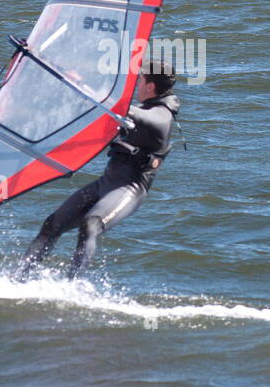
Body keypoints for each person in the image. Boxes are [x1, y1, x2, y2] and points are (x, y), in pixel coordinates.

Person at [18, 59, 180, 279]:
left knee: (91, 225)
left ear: (150, 86)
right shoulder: (144, 108)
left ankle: (71, 287)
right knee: (52, 223)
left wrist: (117, 108)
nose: (138, 84)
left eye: (141, 80)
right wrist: (76, 82)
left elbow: (138, 115)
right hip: (106, 183)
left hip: (129, 189)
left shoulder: (162, 116)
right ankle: (19, 278)